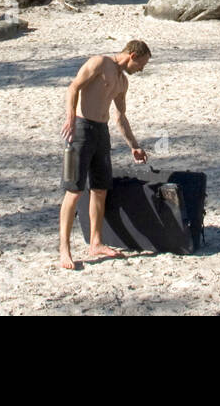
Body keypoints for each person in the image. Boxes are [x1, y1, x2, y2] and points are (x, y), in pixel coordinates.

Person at [58, 39, 151, 270]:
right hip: (80, 128)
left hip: (101, 132)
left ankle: (96, 243)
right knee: (74, 190)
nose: (142, 69)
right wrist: (70, 116)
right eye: (142, 64)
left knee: (100, 189)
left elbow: (120, 117)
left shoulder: (122, 81)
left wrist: (134, 145)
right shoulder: (99, 63)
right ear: (132, 55)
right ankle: (64, 249)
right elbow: (73, 87)